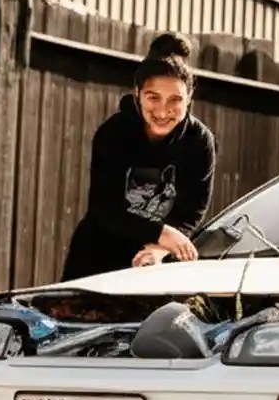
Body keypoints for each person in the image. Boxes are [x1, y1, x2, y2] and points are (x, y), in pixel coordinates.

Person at [61, 32, 217, 281]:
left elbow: (192, 212)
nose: (162, 111)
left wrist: (160, 248)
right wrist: (162, 233)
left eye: (175, 100)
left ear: (189, 98)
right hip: (98, 256)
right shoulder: (114, 132)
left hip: (158, 259)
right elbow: (106, 208)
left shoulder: (199, 142)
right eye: (153, 97)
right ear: (137, 93)